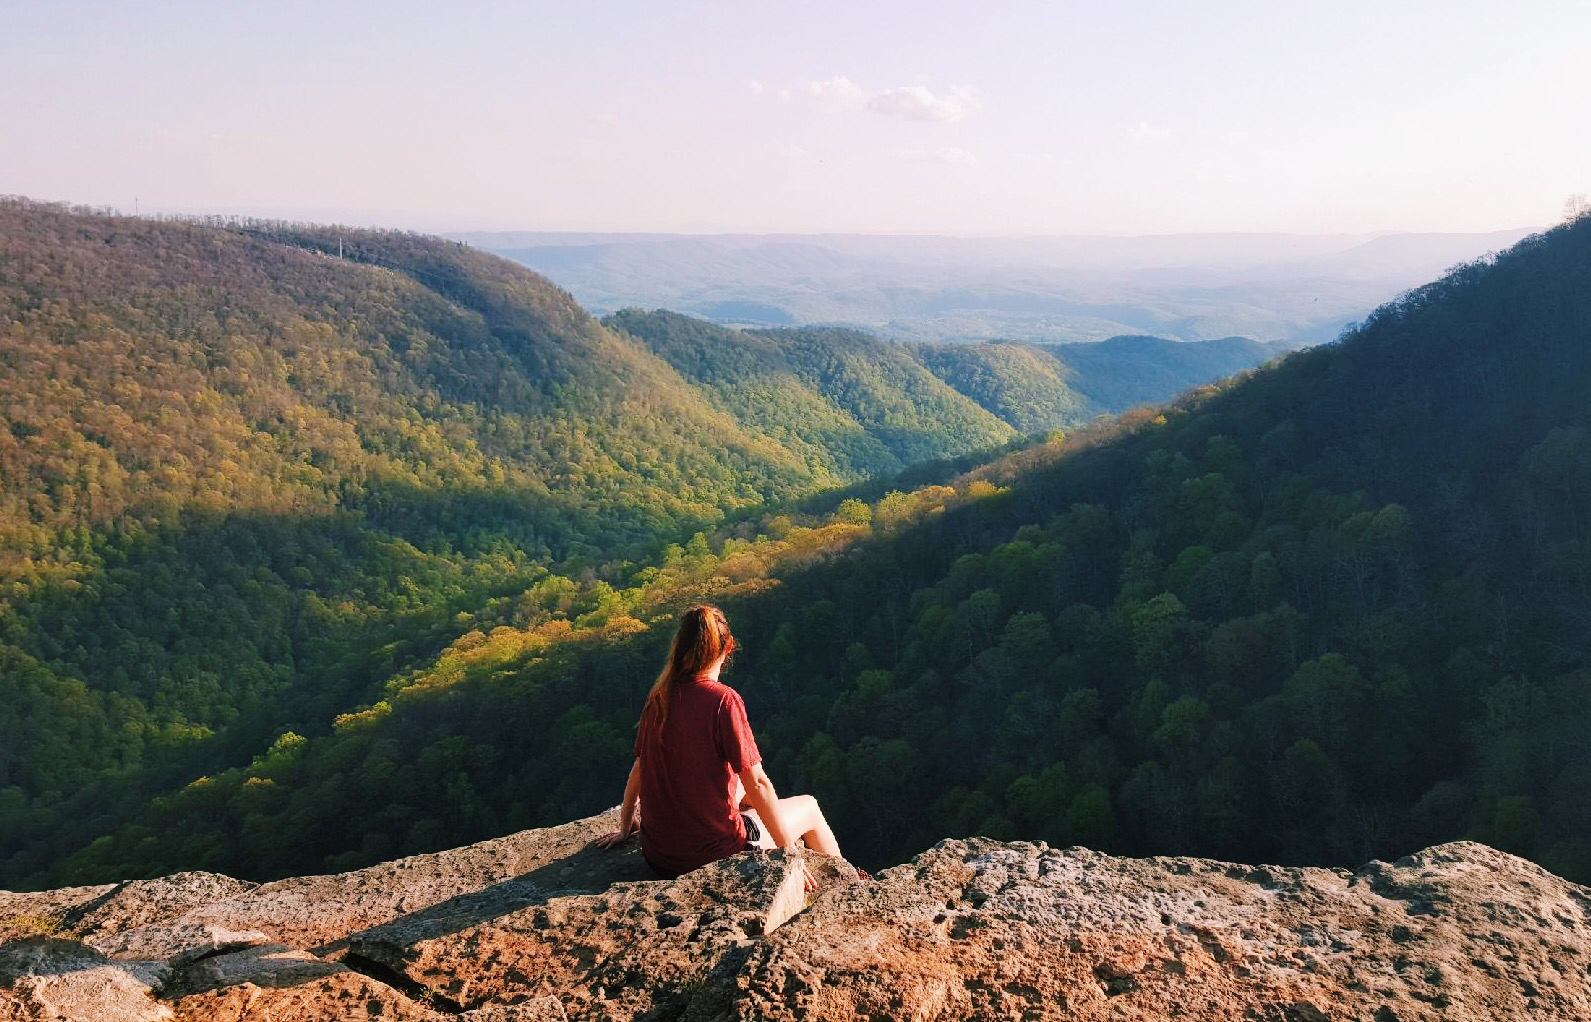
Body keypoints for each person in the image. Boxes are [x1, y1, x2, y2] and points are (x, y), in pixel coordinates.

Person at [594, 605, 843, 882]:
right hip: (713, 856)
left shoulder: (659, 698)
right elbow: (758, 784)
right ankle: (848, 886)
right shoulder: (723, 701)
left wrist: (626, 828)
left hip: (658, 857)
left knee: (739, 794)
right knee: (808, 806)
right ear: (728, 647)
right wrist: (789, 855)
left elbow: (638, 772)